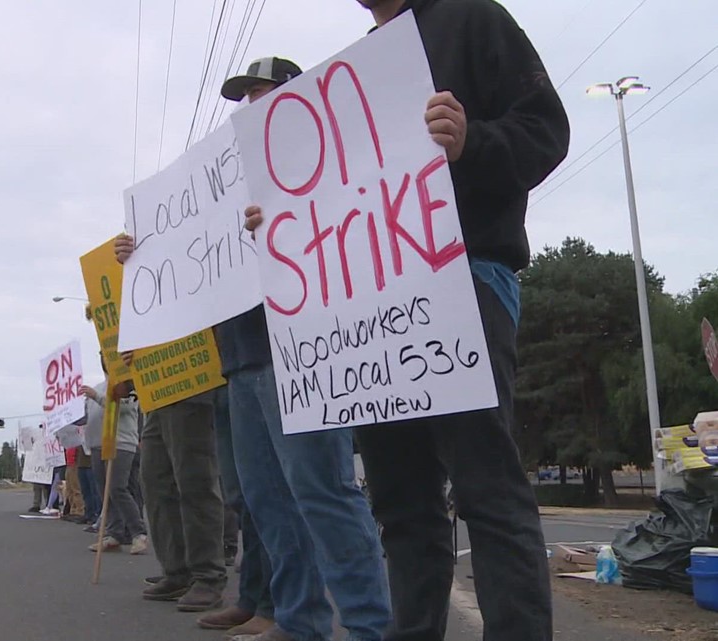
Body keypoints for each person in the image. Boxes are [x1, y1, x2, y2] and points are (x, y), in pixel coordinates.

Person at [245, 3, 571, 639]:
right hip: (371, 309)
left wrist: (472, 139)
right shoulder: (356, 68)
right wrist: (280, 214)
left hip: (465, 280)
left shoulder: (472, 19)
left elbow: (545, 131)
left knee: (486, 489)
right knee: (400, 503)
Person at [116, 55, 392, 641]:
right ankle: (297, 619)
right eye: (243, 99)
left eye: (262, 95)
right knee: (266, 500)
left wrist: (288, 219)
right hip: (240, 357)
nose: (249, 108)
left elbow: (354, 231)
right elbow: (187, 255)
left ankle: (371, 626)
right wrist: (141, 254)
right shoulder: (227, 184)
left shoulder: (320, 163)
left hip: (304, 350)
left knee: (322, 492)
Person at [133, 380, 227, 613]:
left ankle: (208, 576)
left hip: (190, 387)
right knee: (155, 481)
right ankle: (177, 571)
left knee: (195, 480)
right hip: (155, 396)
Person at [196, 385, 275, 638]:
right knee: (242, 497)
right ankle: (251, 599)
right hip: (224, 373)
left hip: (255, 364)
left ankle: (274, 605)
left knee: (268, 495)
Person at [82, 362, 148, 555]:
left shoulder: (129, 384)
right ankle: (114, 533)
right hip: (97, 444)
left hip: (121, 442)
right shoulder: (100, 386)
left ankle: (138, 532)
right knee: (105, 492)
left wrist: (96, 397)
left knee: (118, 488)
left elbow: (125, 408)